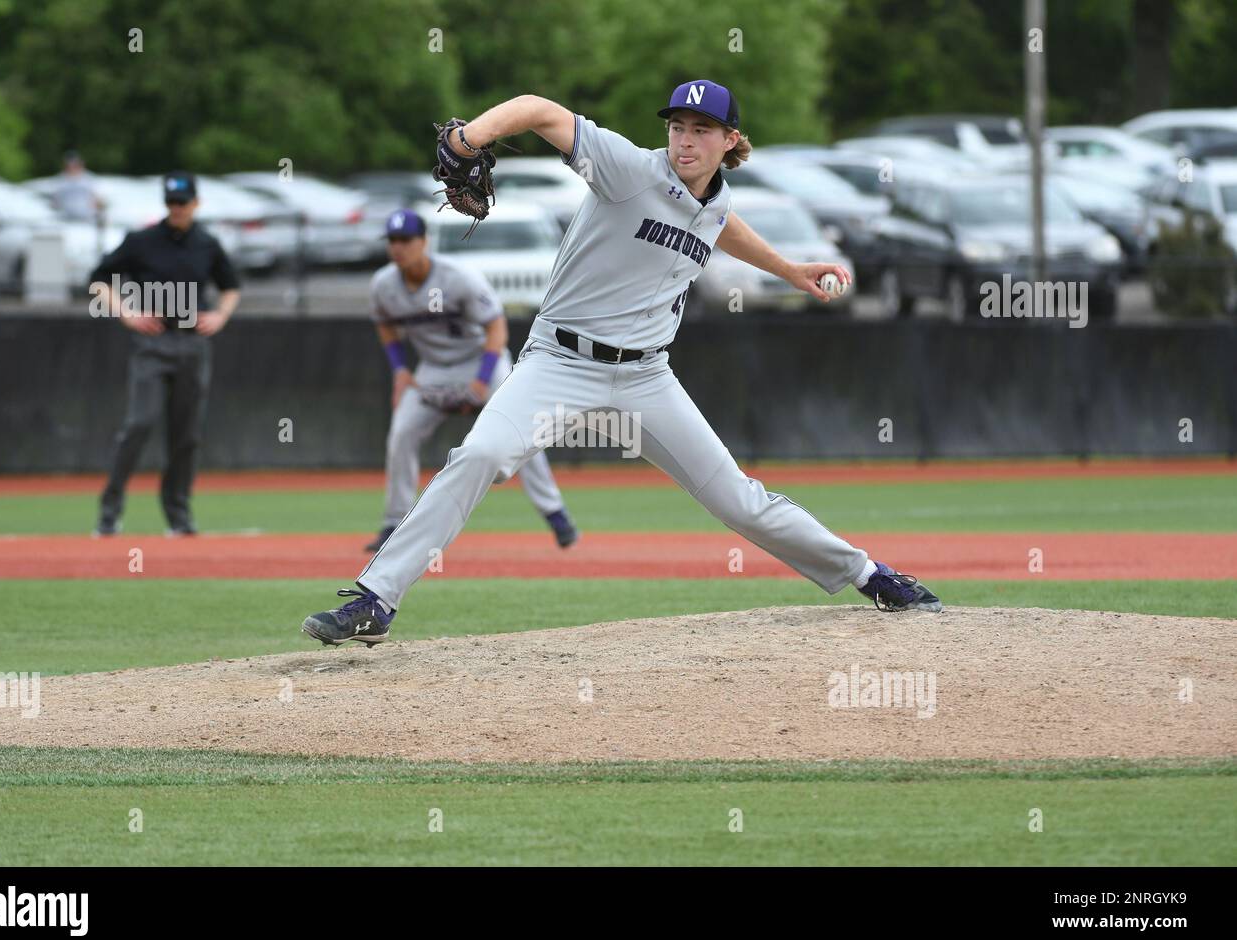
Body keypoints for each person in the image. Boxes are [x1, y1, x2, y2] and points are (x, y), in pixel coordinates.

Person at [302, 80, 940, 648]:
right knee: (480, 456)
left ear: (729, 141)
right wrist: (472, 136)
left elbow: (721, 225)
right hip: (560, 361)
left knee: (739, 500)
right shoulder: (628, 168)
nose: (685, 140)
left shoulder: (713, 201)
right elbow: (537, 109)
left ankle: (869, 575)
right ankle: (377, 597)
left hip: (646, 377)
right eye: (678, 126)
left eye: (701, 130)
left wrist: (792, 270)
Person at [364, 208, 578, 553]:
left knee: (520, 432)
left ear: (423, 242)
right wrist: (400, 370)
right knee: (402, 432)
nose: (398, 247)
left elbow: (496, 327)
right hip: (434, 368)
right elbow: (385, 325)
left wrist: (481, 382)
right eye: (392, 241)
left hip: (482, 361)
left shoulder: (457, 277)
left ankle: (555, 513)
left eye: (405, 240)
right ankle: (394, 524)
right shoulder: (383, 285)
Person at [91, 172, 241, 536]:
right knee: (139, 424)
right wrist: (126, 313)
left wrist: (220, 316)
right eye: (172, 202)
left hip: (193, 345)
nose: (177, 208)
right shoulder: (142, 240)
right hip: (153, 345)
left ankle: (179, 516)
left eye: (183, 202)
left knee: (186, 435)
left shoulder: (207, 243)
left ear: (195, 203)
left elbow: (231, 287)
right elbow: (98, 279)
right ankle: (109, 512)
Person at [54, 151, 102, 223]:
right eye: (69, 164)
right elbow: (56, 200)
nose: (71, 167)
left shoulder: (89, 178)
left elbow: (97, 198)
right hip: (66, 219)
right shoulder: (60, 180)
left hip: (87, 218)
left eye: (74, 164)